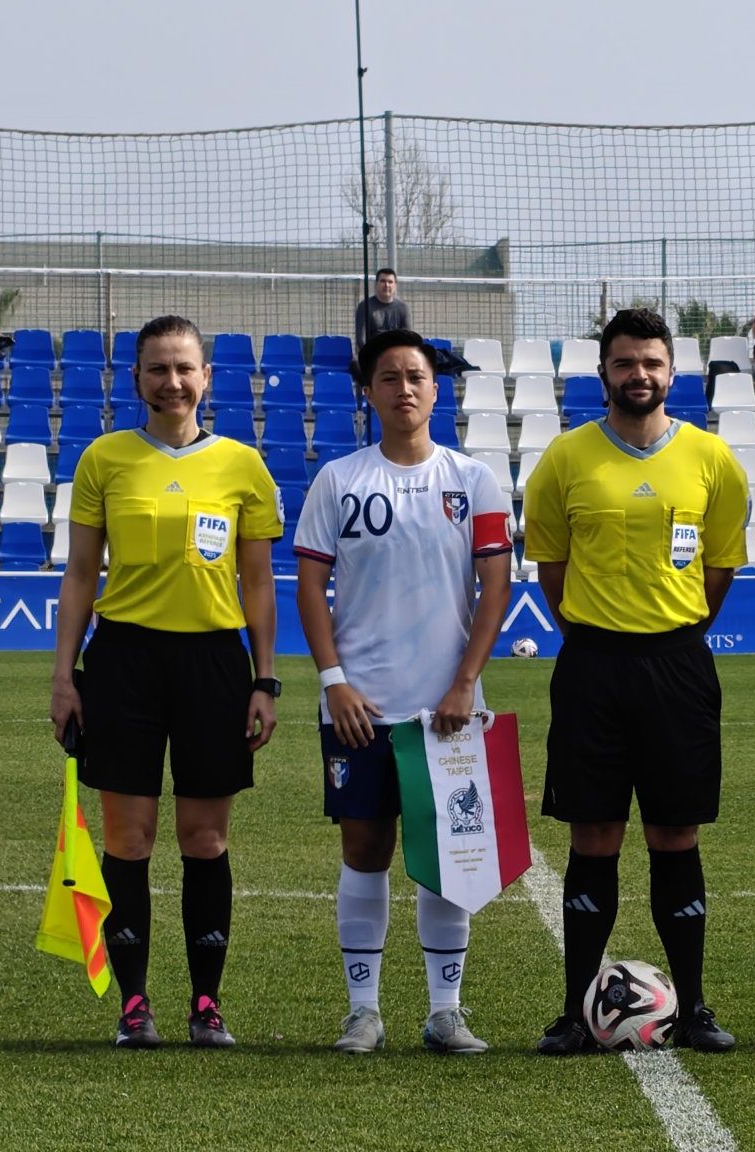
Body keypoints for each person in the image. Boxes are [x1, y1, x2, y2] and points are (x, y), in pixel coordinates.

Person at [49, 315, 282, 1049]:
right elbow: (82, 573)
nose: (172, 382)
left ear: (206, 377)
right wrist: (65, 675)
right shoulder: (104, 459)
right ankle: (134, 1004)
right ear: (137, 379)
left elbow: (256, 580)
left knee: (205, 838)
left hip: (215, 664)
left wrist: (265, 679)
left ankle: (206, 1004)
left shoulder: (243, 465)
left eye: (185, 368)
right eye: (158, 369)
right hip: (124, 665)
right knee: (130, 835)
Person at [522, 307, 750, 1055]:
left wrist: (671, 633)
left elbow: (719, 569)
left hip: (678, 665)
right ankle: (572, 1014)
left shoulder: (713, 460)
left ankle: (695, 1008)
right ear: (605, 374)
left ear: (671, 372)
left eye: (652, 363)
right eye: (626, 364)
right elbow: (551, 572)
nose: (640, 375)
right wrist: (599, 632)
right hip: (592, 665)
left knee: (675, 834)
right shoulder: (564, 459)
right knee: (594, 834)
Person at [294, 328, 514, 1056]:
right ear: (368, 391)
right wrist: (335, 684)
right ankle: (364, 1012)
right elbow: (309, 586)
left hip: (447, 712)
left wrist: (464, 683)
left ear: (435, 387)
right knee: (365, 848)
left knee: (448, 858)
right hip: (360, 705)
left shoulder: (474, 479)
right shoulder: (339, 480)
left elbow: (494, 588)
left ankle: (445, 1013)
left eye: (416, 376)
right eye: (388, 378)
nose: (404, 389)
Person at [354, 268, 412, 353]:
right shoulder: (364, 306)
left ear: (395, 285)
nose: (386, 285)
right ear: (376, 284)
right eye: (383, 281)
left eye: (390, 282)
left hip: (397, 354)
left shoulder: (403, 308)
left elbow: (408, 338)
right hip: (372, 354)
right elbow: (361, 339)